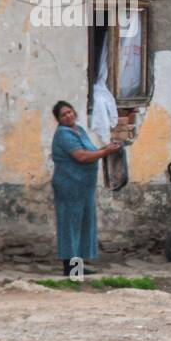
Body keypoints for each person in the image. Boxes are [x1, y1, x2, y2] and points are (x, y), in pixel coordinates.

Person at [50, 100, 120, 277]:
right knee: (70, 225)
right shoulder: (63, 134)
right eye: (63, 115)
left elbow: (90, 151)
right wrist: (105, 152)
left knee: (82, 225)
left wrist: (105, 149)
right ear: (58, 119)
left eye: (70, 112)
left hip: (83, 187)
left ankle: (78, 267)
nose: (68, 116)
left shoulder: (79, 130)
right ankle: (72, 270)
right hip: (69, 185)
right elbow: (81, 156)